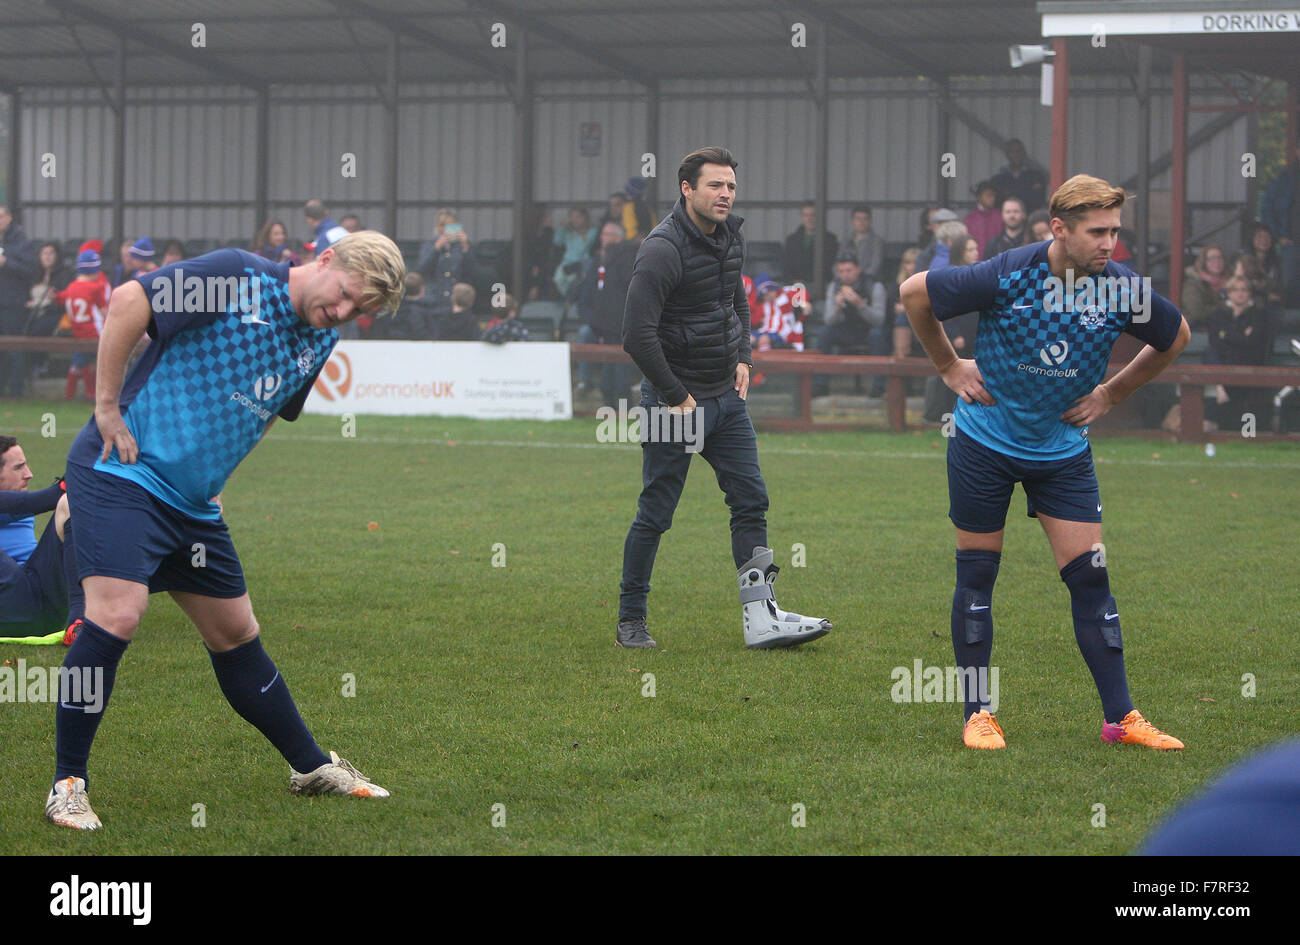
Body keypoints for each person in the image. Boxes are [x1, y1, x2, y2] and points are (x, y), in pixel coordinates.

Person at [44, 231, 405, 830]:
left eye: (359, 310)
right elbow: (131, 301)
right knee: (118, 615)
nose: (344, 312)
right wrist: (107, 406)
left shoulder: (322, 338)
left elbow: (263, 416)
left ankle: (309, 766)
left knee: (236, 632)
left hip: (192, 507)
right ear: (323, 260)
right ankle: (68, 783)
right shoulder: (237, 275)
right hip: (123, 471)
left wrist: (215, 479)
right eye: (345, 295)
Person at [901, 173, 1190, 752]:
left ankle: (1121, 719)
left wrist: (1111, 393)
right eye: (1097, 232)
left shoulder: (1121, 287)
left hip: (1062, 455)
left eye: (1115, 230)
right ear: (1059, 228)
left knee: (1092, 579)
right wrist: (950, 368)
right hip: (983, 446)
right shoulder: (1008, 271)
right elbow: (915, 292)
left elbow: (1175, 335)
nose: (1110, 243)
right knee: (977, 578)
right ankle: (978, 714)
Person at [617, 146, 830, 650]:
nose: (726, 194)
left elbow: (735, 299)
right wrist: (676, 397)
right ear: (687, 189)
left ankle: (761, 619)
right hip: (676, 405)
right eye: (715, 185)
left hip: (726, 399)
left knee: (751, 499)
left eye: (731, 186)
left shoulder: (733, 234)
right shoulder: (661, 248)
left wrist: (744, 356)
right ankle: (631, 619)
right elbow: (636, 335)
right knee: (657, 512)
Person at [0, 436, 84, 644]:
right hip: (9, 606)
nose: (29, 475)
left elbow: (50, 498)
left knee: (69, 503)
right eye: (18, 468)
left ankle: (78, 620)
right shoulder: (19, 503)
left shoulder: (15, 502)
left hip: (45, 601)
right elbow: (42, 499)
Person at [574, 220, 637, 403]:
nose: (603, 238)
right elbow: (588, 292)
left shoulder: (625, 257)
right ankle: (598, 389)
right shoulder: (598, 260)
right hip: (601, 320)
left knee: (618, 359)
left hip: (619, 319)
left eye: (607, 234)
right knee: (607, 356)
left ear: (618, 237)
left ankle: (618, 398)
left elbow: (625, 286)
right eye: (602, 234)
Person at [812, 252, 887, 397]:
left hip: (867, 330)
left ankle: (879, 387)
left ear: (858, 269)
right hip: (845, 329)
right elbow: (829, 319)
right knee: (824, 332)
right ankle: (820, 385)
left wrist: (860, 305)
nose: (845, 275)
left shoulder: (874, 286)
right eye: (841, 271)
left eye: (849, 270)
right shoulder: (834, 286)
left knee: (878, 334)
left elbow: (879, 320)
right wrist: (838, 308)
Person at [1205, 276, 1272, 428]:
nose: (1240, 294)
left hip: (1248, 365)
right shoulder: (1219, 314)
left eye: (1244, 290)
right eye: (1236, 290)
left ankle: (1219, 386)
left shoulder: (1258, 315)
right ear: (1229, 293)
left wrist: (1227, 335)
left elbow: (1254, 342)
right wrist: (1242, 336)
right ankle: (1218, 388)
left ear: (1249, 293)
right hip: (1222, 363)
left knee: (1235, 358)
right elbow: (1215, 342)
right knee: (1210, 353)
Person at [55, 250, 111, 401]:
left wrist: (53, 295)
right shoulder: (95, 288)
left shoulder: (72, 287)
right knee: (89, 363)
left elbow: (60, 298)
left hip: (78, 333)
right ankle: (88, 393)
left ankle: (71, 395)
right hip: (94, 333)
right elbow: (105, 310)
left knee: (80, 362)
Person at [416, 209, 476, 335]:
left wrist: (465, 248)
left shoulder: (463, 246)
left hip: (456, 301)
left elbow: (471, 272)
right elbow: (422, 269)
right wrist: (436, 248)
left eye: (450, 226)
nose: (445, 230)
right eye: (442, 225)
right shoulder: (429, 245)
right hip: (435, 299)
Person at [0, 205, 38, 397]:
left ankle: (17, 390)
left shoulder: (22, 242)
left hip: (13, 303)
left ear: (9, 217)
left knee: (14, 346)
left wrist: (7, 263)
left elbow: (30, 271)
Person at [782, 201, 838, 285]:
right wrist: (794, 281)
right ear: (802, 217)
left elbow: (829, 266)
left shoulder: (830, 239)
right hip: (797, 287)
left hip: (821, 287)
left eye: (813, 215)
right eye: (806, 215)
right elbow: (786, 266)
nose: (809, 218)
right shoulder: (791, 240)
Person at [989, 138, 1048, 212]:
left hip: (1030, 218)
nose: (1016, 155)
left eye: (1018, 151)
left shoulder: (1036, 176)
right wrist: (1027, 192)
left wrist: (1009, 193)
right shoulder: (998, 179)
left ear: (1024, 153)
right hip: (1005, 219)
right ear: (1007, 154)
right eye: (1012, 152)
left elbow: (1039, 200)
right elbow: (996, 202)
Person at [553, 207, 596, 300]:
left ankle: (572, 300)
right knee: (558, 279)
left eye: (578, 217)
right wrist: (562, 228)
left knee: (573, 282)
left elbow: (582, 248)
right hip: (566, 263)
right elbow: (557, 242)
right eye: (572, 217)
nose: (575, 220)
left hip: (581, 263)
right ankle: (568, 299)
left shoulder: (591, 232)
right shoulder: (568, 232)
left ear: (585, 218)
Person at [1180, 244, 1227, 329]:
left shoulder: (1231, 281)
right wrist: (1226, 307)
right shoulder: (1193, 284)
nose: (1217, 262)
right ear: (1203, 262)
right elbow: (1197, 312)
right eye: (1212, 258)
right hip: (1198, 329)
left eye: (1220, 258)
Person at [843, 205, 884, 282]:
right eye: (858, 218)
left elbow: (875, 266)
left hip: (868, 282)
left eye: (865, 219)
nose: (861, 222)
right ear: (852, 221)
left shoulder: (877, 242)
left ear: (870, 221)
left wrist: (857, 278)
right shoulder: (846, 241)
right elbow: (837, 263)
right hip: (845, 280)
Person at [964, 182, 1003, 258]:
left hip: (997, 261)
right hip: (977, 262)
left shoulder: (1000, 216)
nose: (992, 198)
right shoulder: (970, 219)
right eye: (988, 195)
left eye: (993, 195)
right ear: (979, 197)